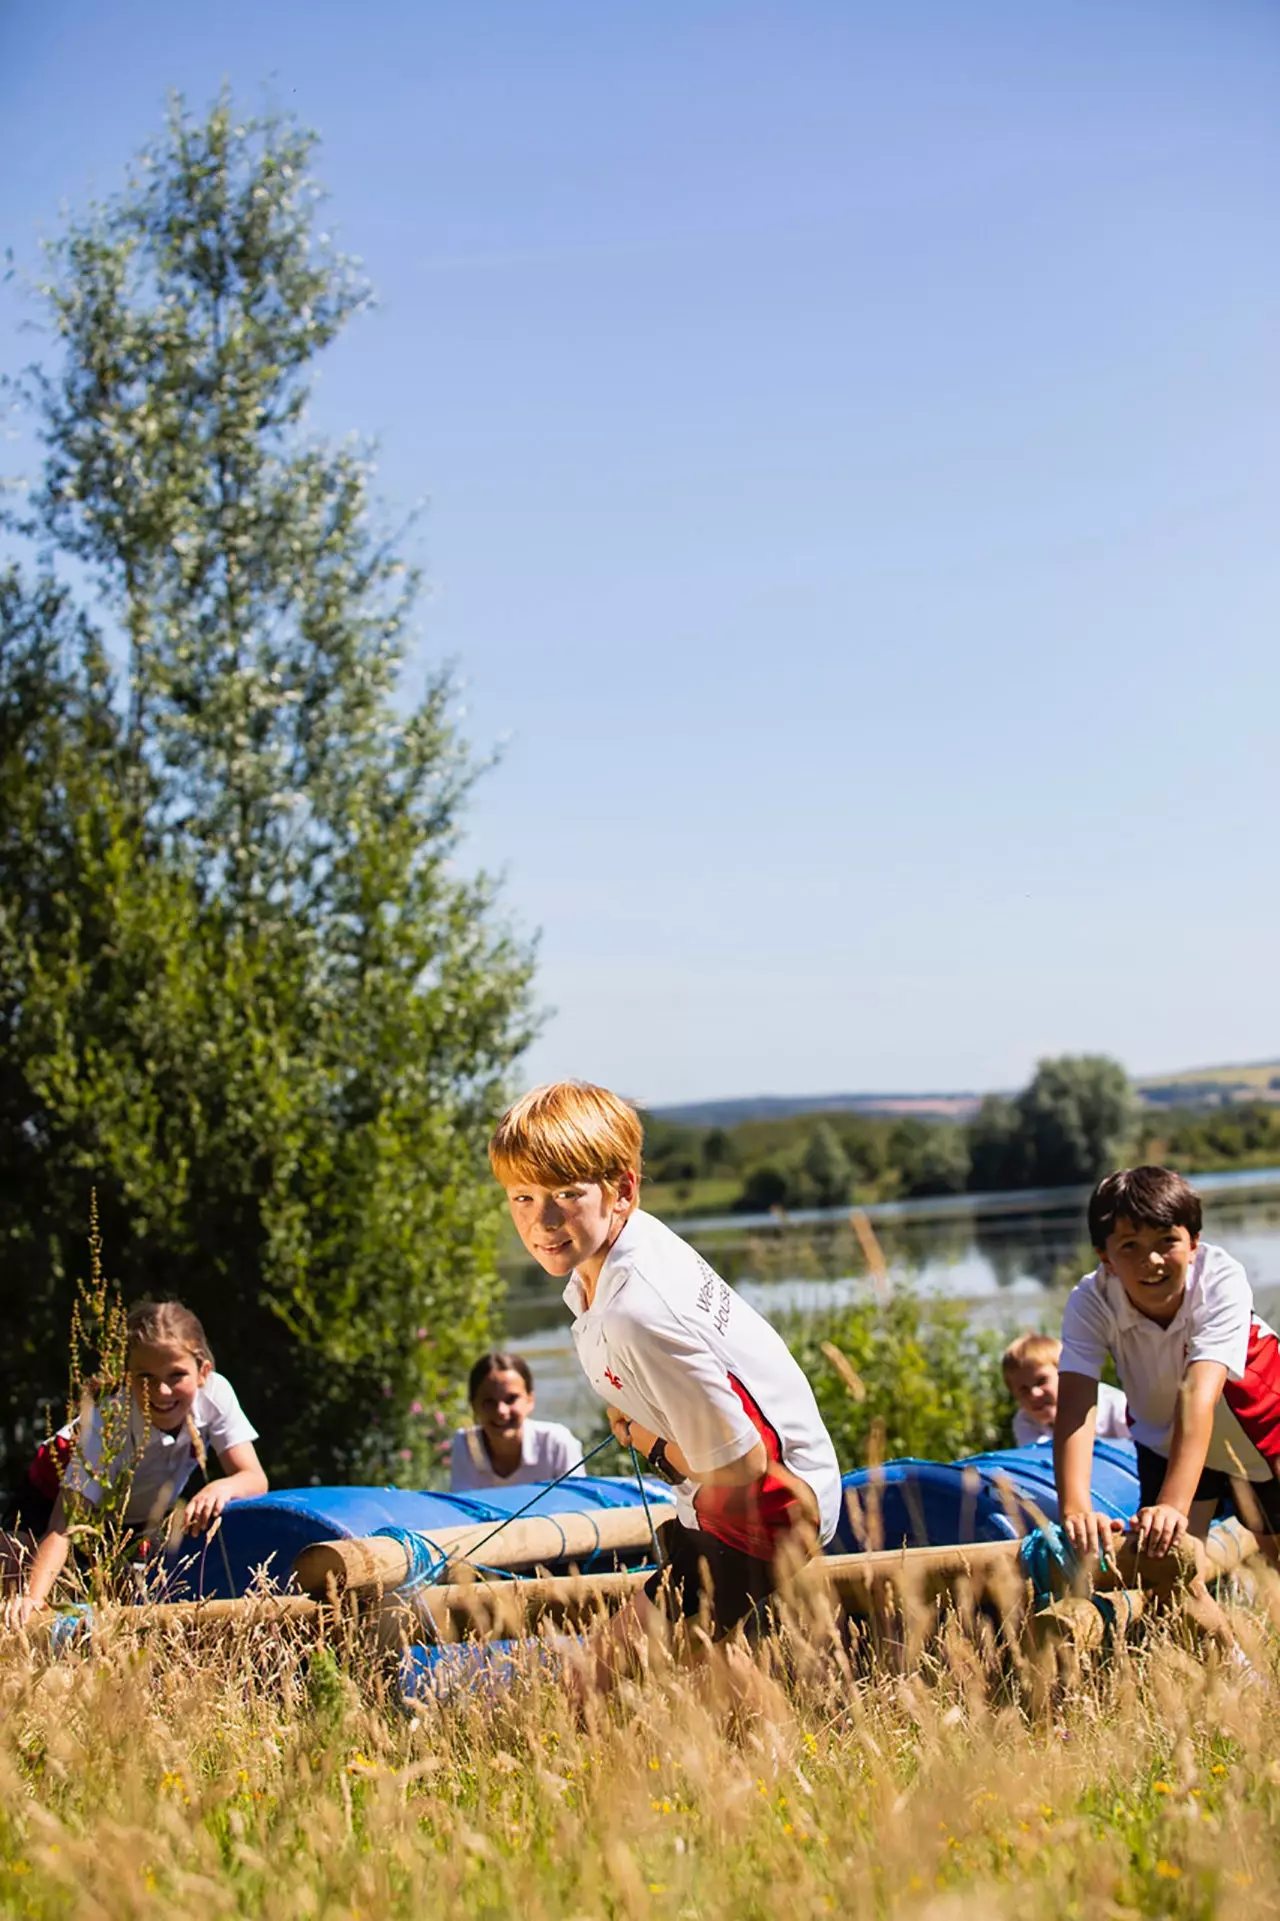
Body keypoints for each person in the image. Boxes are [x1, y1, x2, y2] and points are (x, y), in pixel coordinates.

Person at [489, 1081, 841, 1682]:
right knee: (718, 1683)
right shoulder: (627, 1246)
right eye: (522, 1197)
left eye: (565, 1194)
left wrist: (648, 1442)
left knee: (593, 1686)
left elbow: (741, 1468)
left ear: (623, 1189)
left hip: (768, 1515)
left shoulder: (639, 1312)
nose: (541, 1220)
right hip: (745, 1497)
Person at [1055, 1166, 1280, 1562]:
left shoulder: (1221, 1279)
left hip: (1258, 1427)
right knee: (1164, 1575)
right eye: (1129, 1246)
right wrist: (1076, 1510)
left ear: (1194, 1244)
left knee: (1275, 1555)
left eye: (1166, 1241)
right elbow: (1075, 1405)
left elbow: (1198, 1395)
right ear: (1104, 1257)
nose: (1152, 1260)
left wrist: (1173, 1506)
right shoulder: (1090, 1300)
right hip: (1164, 1435)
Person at [2, 1299, 267, 1627]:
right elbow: (62, 1525)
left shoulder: (217, 1395)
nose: (162, 1391)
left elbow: (254, 1478)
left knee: (123, 1612)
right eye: (146, 1377)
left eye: (176, 1375)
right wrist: (32, 1598)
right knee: (11, 1593)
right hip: (50, 1496)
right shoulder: (106, 1423)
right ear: (128, 1377)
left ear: (203, 1373)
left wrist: (223, 1486)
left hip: (135, 1517)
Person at [449, 1352, 585, 1492]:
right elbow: (463, 1508)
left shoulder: (556, 1443)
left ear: (530, 1400)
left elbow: (579, 1504)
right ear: (473, 1405)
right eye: (489, 1401)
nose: (501, 1410)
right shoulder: (466, 1444)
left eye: (511, 1399)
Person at [1002, 1331, 1128, 1447]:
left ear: (1067, 1374)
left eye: (1042, 1381)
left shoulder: (1114, 1405)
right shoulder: (1025, 1421)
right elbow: (1039, 1457)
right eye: (1023, 1390)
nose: (1034, 1394)